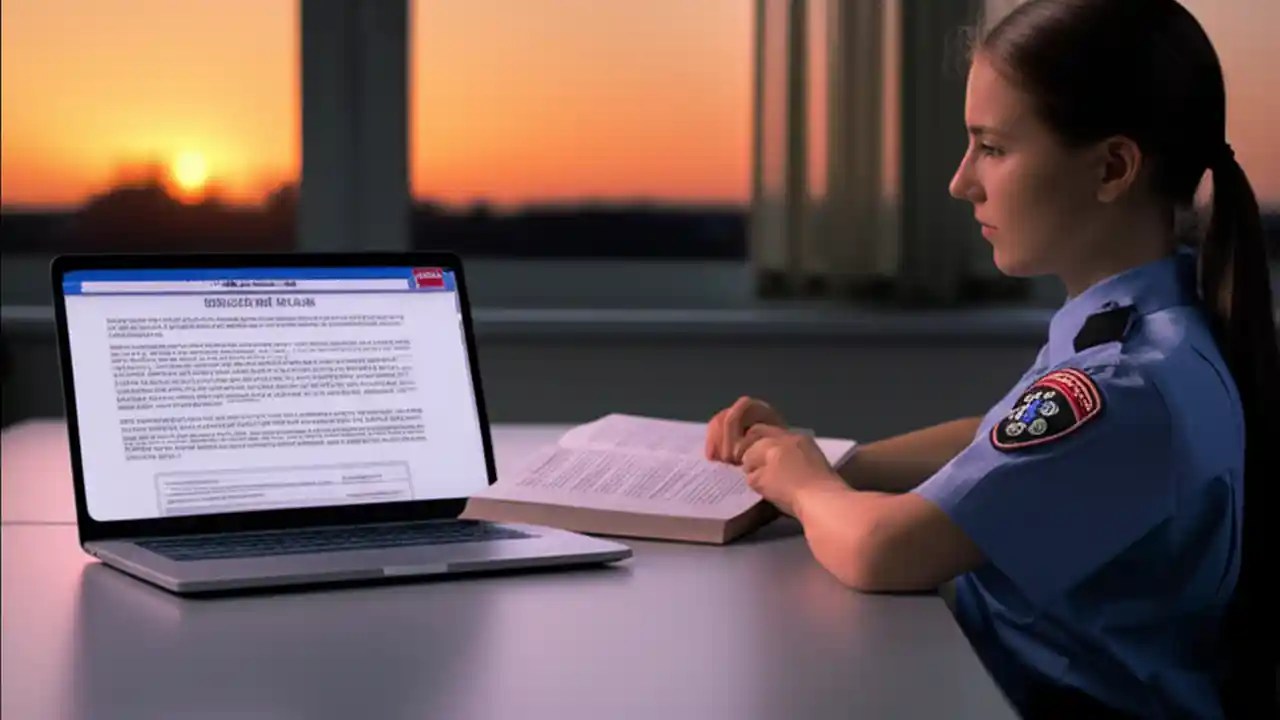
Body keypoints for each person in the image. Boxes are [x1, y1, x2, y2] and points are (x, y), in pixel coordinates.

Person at [705, 1, 1278, 717]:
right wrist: (828, 462)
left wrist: (808, 491)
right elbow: (1003, 433)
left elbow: (883, 551)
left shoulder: (1124, 386)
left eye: (994, 148)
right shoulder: (1149, 324)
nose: (961, 181)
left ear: (1112, 166)